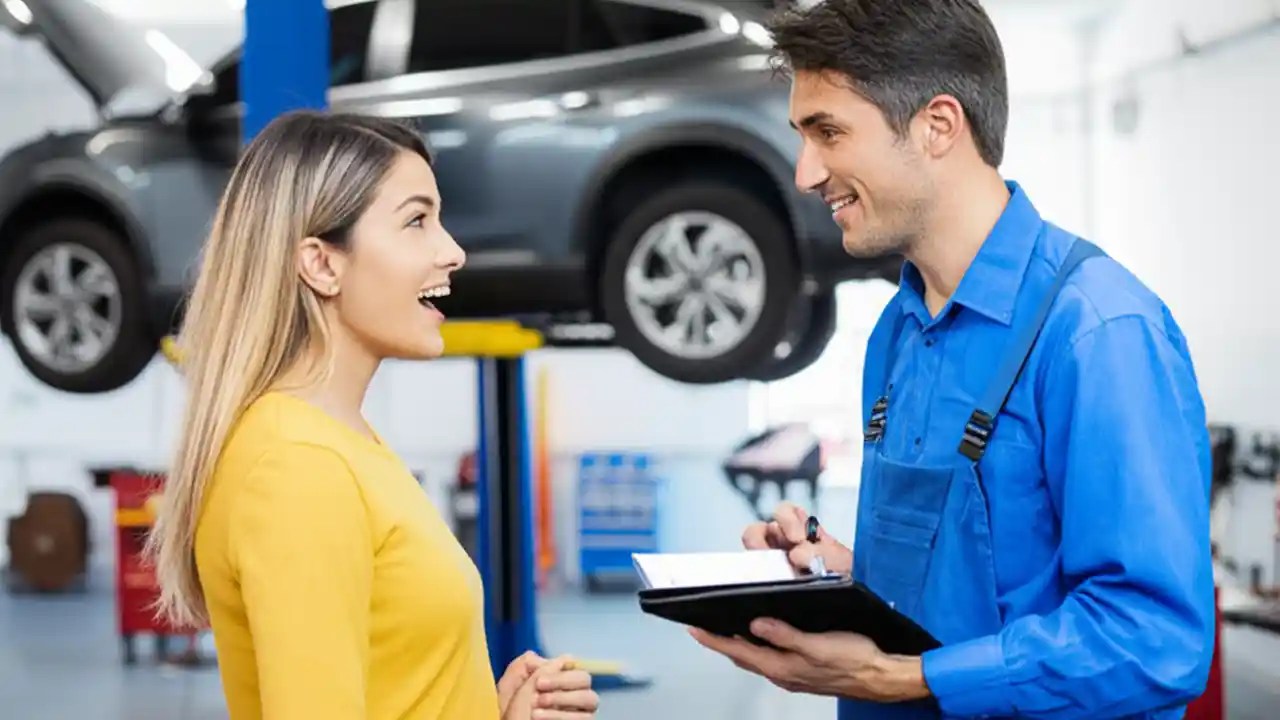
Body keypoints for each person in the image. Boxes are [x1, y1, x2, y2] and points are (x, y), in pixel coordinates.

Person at [690, 2, 1216, 719]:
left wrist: (908, 679)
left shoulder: (1098, 333)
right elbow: (963, 588)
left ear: (938, 126)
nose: (806, 172)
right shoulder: (897, 332)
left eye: (829, 132)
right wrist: (837, 580)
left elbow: (1152, 640)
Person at [144, 110, 600, 720]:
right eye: (417, 221)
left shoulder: (341, 443)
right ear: (322, 264)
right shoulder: (298, 469)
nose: (454, 252)